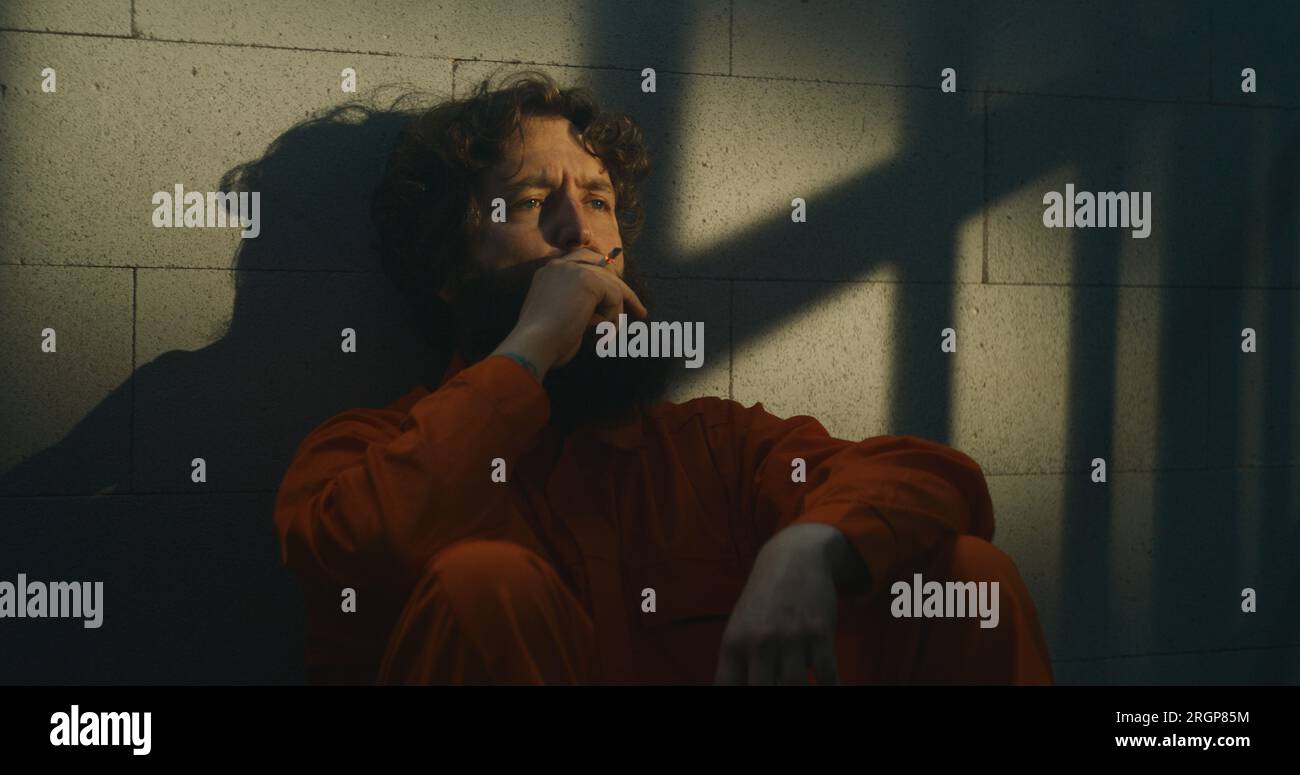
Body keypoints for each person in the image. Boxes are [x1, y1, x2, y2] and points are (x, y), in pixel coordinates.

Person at [273, 71, 1054, 685]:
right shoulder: (372, 449)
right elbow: (352, 547)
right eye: (533, 201)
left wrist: (812, 547)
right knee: (485, 583)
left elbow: (934, 477)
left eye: (600, 200)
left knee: (968, 579)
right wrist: (534, 346)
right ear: (447, 268)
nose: (581, 233)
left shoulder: (711, 448)